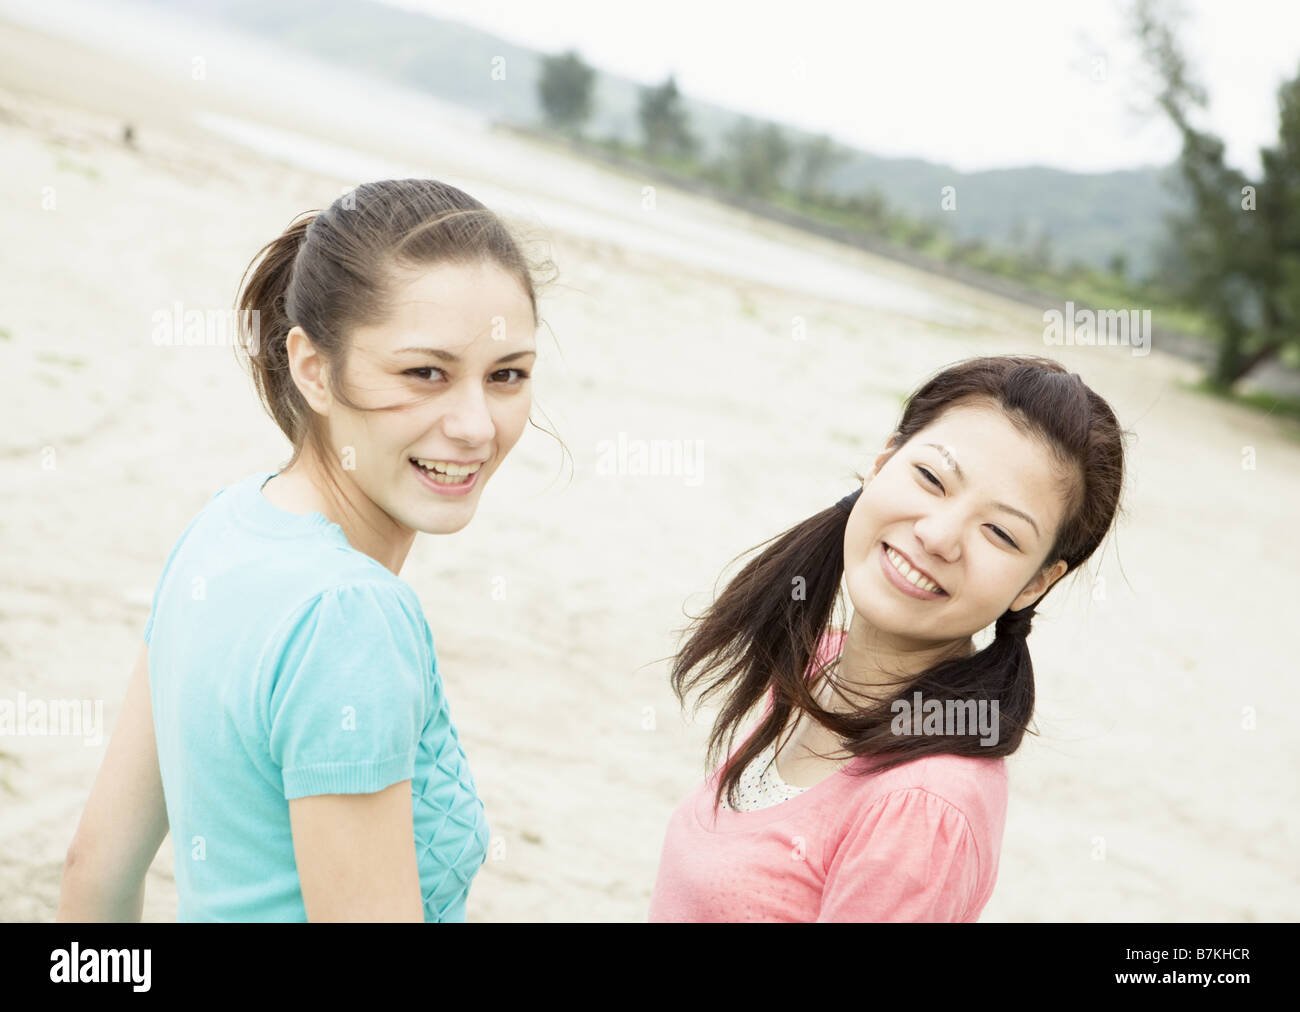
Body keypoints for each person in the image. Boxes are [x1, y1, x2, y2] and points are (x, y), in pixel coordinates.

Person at [57, 178, 553, 922]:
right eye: (426, 373)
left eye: (506, 375)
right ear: (315, 369)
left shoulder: (224, 526)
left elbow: (94, 870)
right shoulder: (351, 617)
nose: (477, 426)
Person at [649, 355, 1129, 922]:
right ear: (882, 462)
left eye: (999, 532)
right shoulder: (817, 664)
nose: (938, 535)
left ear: (1037, 583)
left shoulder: (923, 807)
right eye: (931, 479)